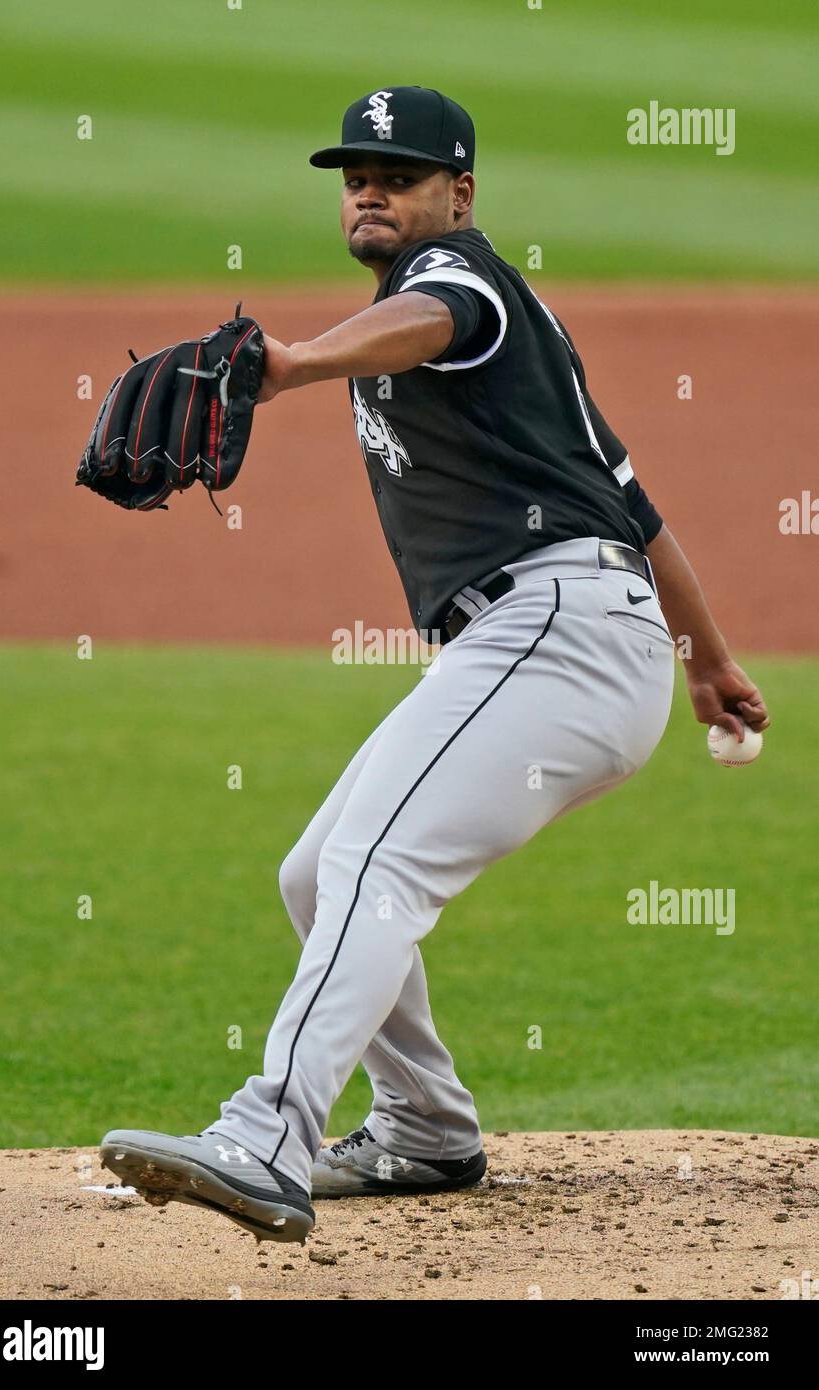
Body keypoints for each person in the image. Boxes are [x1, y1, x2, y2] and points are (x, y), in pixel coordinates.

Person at [101, 87, 770, 1246]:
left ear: (457, 194)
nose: (369, 188)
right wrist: (706, 660)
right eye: (356, 171)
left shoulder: (464, 284)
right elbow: (629, 498)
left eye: (399, 173)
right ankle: (423, 1127)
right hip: (568, 637)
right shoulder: (500, 328)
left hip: (555, 636)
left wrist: (295, 361)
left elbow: (433, 320)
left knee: (372, 862)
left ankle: (266, 1139)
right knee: (318, 876)